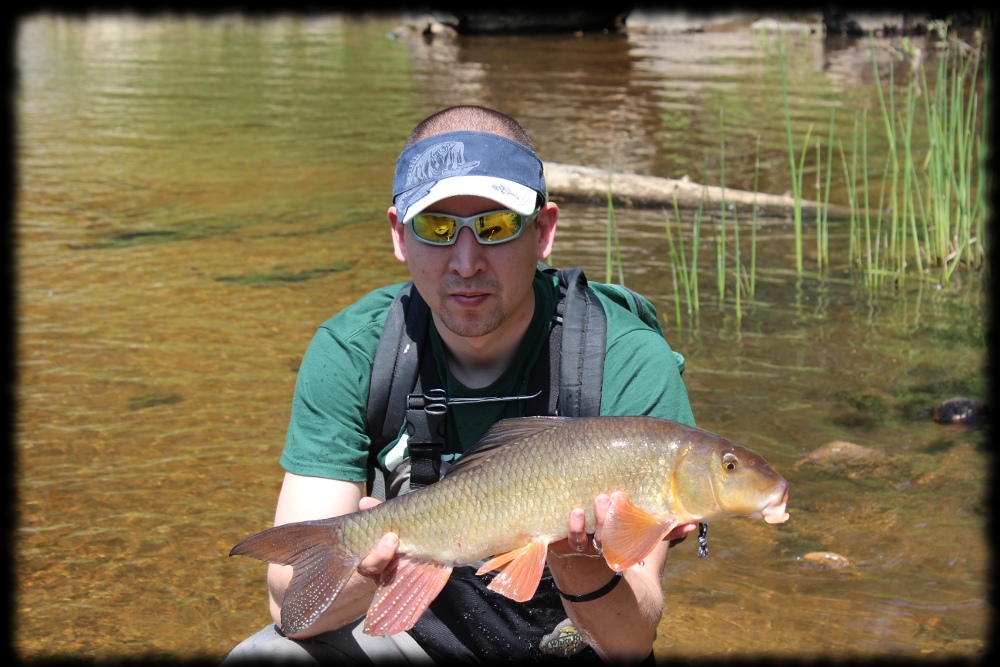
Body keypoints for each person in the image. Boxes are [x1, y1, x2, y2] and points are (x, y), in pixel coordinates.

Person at [223, 106, 697, 666]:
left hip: (573, 645)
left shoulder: (627, 359)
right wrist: (371, 570)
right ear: (400, 234)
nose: (466, 262)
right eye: (438, 229)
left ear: (543, 232)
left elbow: (630, 642)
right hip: (413, 639)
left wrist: (577, 559)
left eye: (495, 227)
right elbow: (290, 607)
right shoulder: (353, 350)